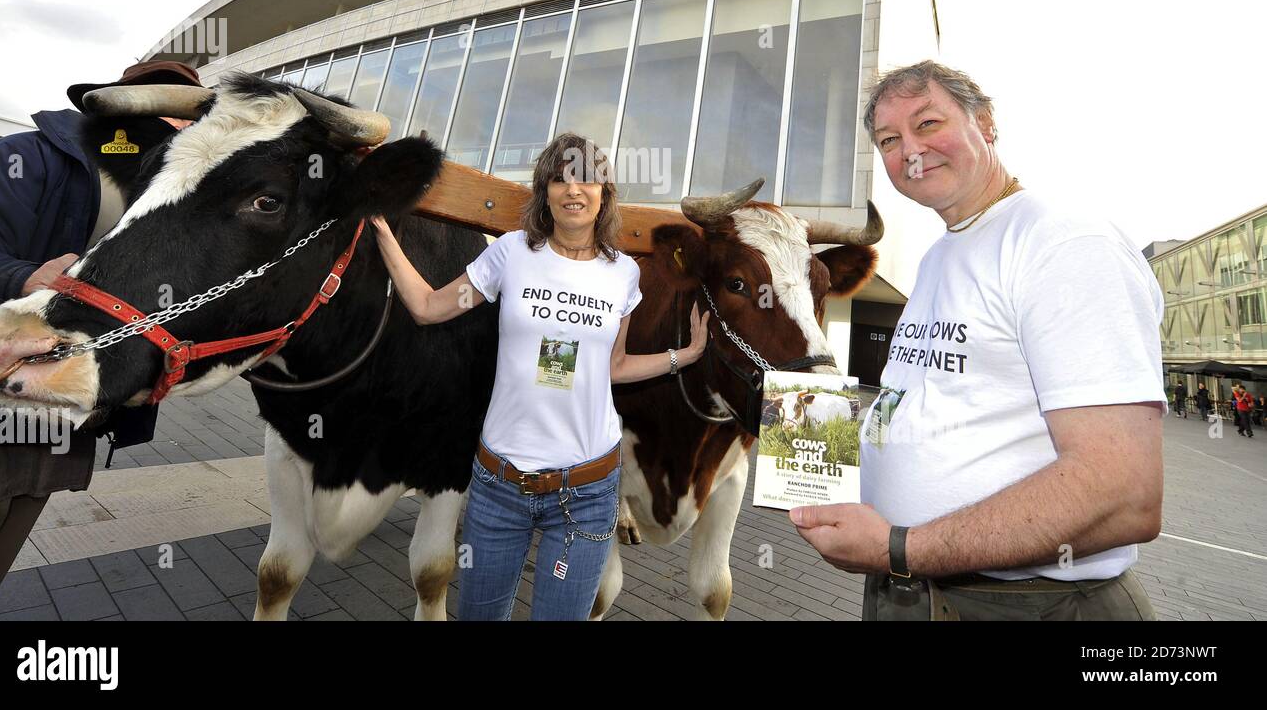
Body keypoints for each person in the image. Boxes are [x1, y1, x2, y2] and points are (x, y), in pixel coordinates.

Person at [789, 60, 1164, 621]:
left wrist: (900, 547)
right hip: (911, 588)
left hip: (1026, 603)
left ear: (985, 123)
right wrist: (826, 471)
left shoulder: (1063, 241)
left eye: (928, 123)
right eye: (889, 140)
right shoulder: (943, 253)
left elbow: (1122, 492)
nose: (910, 150)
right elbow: (920, 403)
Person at [371, 131, 709, 621]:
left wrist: (687, 354)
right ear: (544, 192)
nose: (574, 190)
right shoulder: (510, 255)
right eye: (559, 179)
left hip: (588, 491)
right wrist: (382, 230)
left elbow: (614, 367)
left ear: (604, 194)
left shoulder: (622, 274)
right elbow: (427, 307)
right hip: (499, 486)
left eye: (586, 180)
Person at [0, 61, 201, 621]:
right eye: (171, 114)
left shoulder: (172, 200)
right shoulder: (24, 160)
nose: (184, 131)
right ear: (119, 113)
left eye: (195, 120)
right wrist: (24, 279)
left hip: (64, 417)